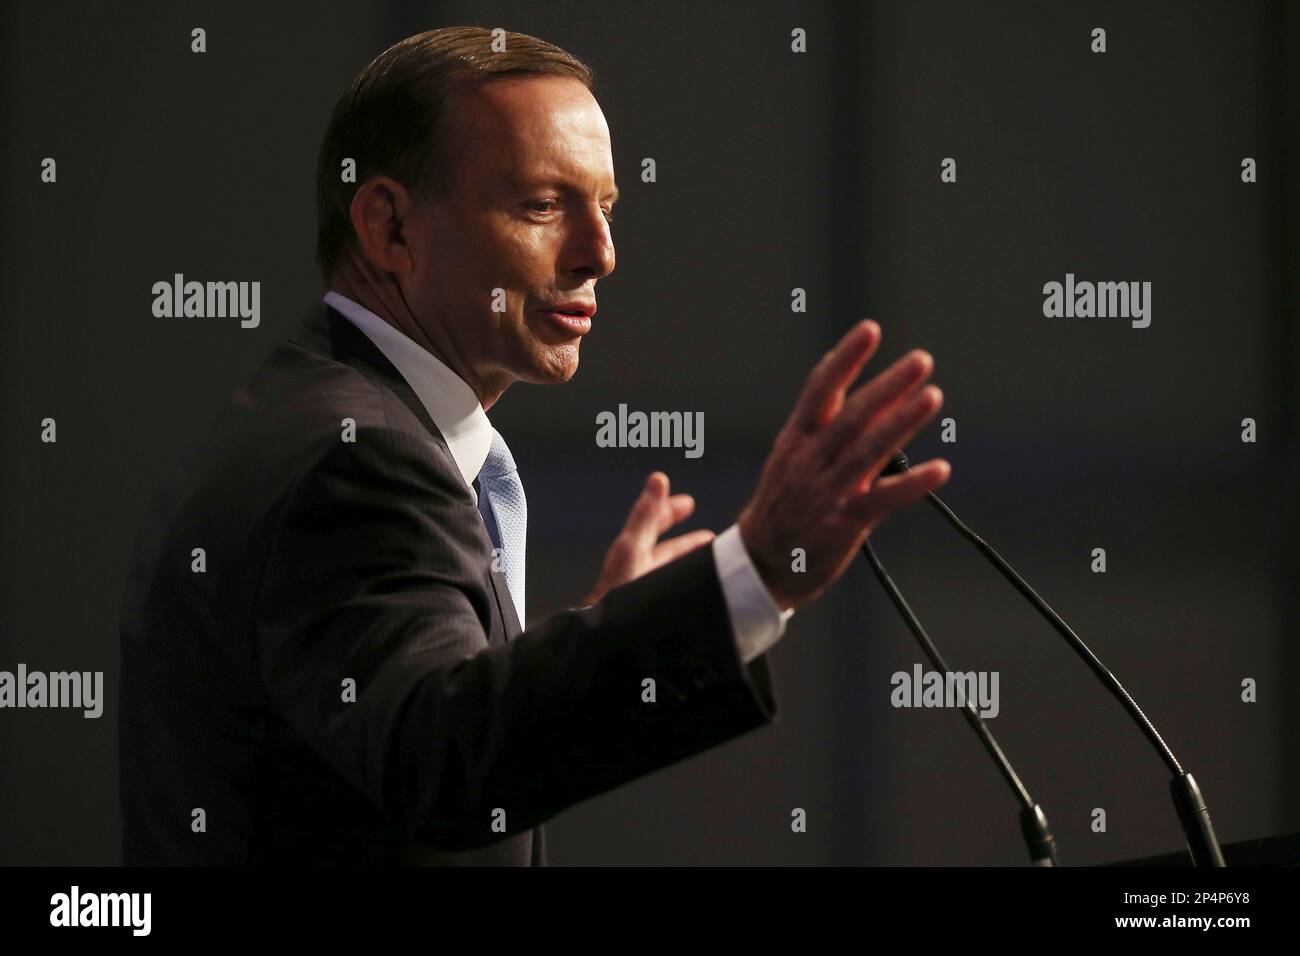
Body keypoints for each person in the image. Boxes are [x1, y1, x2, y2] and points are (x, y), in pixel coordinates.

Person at [118, 25, 950, 865]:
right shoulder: (356, 455)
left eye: (607, 208)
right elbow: (440, 761)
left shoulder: (320, 410)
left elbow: (417, 733)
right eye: (543, 206)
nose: (602, 255)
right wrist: (756, 569)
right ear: (389, 228)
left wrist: (609, 628)